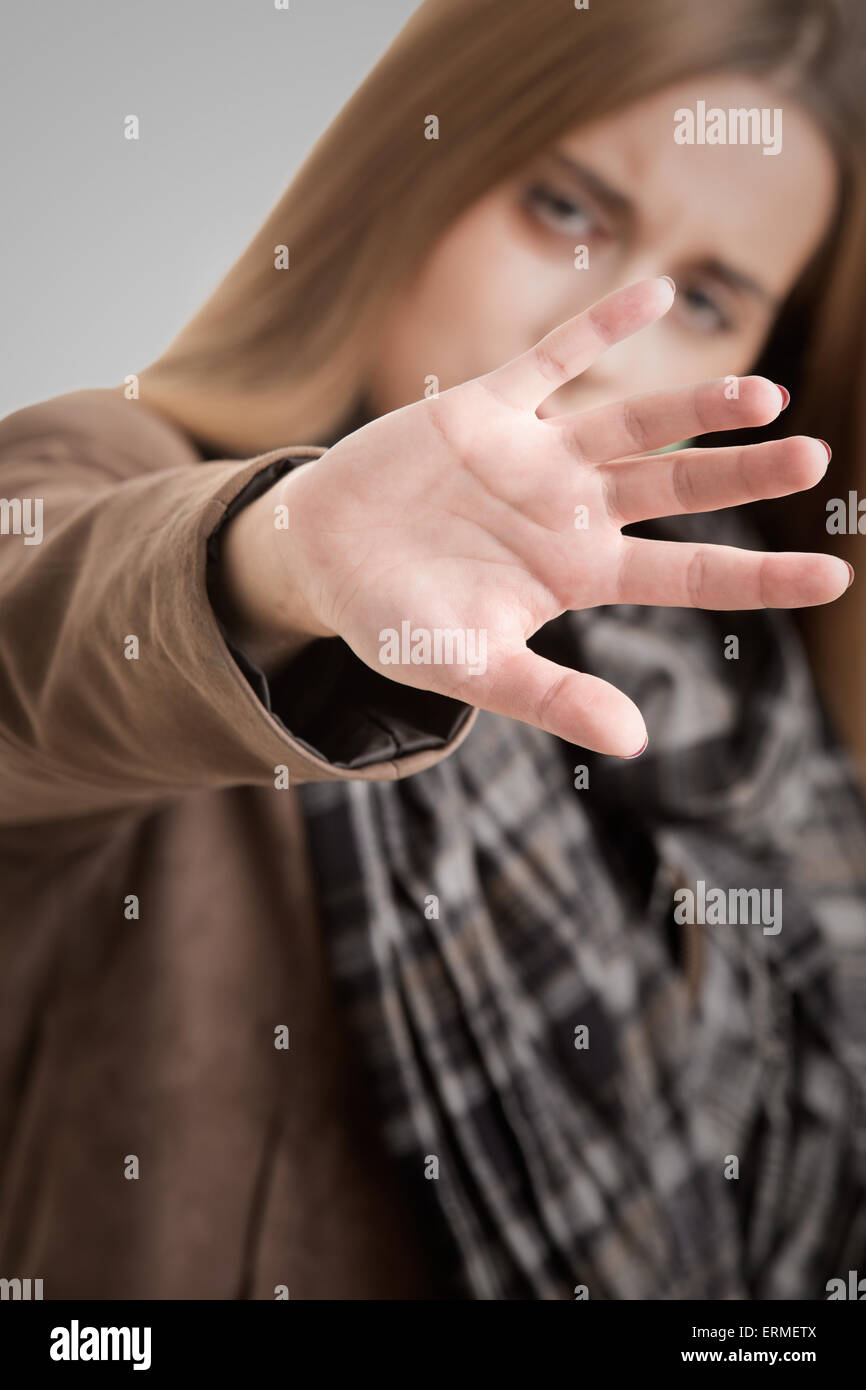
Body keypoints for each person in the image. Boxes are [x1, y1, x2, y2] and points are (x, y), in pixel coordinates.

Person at [1, 0, 865, 1300]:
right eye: (566, 211)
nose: (611, 335)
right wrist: (277, 560)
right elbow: (37, 660)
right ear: (414, 168)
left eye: (702, 297)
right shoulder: (118, 474)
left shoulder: (758, 675)